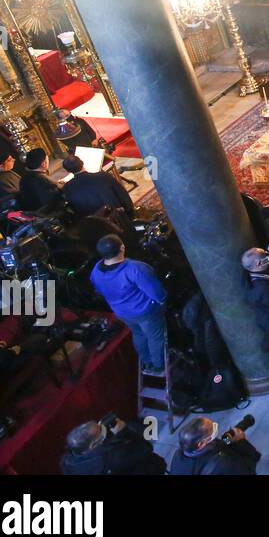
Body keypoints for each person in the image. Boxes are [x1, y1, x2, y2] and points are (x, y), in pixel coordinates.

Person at [89, 234, 167, 375]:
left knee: (138, 334)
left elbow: (99, 290)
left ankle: (146, 362)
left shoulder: (96, 270)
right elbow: (156, 292)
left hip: (122, 313)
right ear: (122, 247)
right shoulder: (135, 268)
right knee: (155, 337)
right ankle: (158, 366)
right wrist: (162, 301)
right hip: (145, 312)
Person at [61, 415, 166, 475]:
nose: (104, 429)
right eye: (101, 430)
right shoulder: (113, 457)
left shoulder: (68, 462)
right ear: (93, 445)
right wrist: (124, 431)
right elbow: (146, 448)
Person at [169, 416, 261, 475]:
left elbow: (219, 445)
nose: (215, 429)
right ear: (201, 444)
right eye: (212, 430)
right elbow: (249, 468)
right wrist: (240, 441)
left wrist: (228, 439)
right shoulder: (223, 464)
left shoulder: (178, 455)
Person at [60, 155, 135, 219]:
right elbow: (123, 196)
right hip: (118, 219)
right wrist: (131, 213)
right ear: (82, 163)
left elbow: (76, 211)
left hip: (95, 226)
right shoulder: (103, 176)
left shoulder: (67, 188)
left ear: (68, 170)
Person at [18, 148, 63, 213]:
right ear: (43, 164)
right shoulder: (40, 178)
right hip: (45, 212)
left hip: (32, 211)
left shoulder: (24, 177)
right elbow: (52, 198)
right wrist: (62, 186)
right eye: (47, 160)